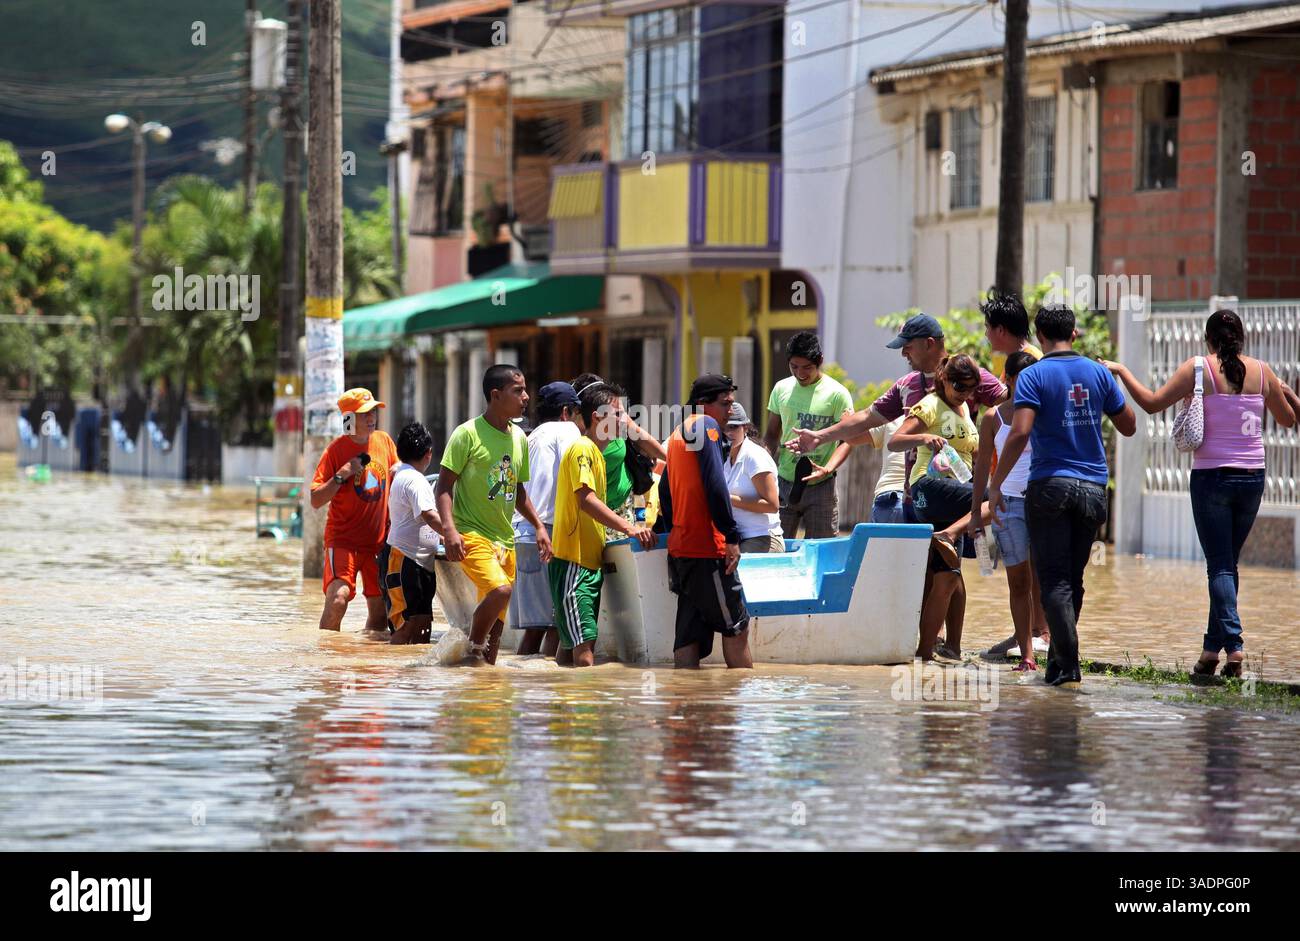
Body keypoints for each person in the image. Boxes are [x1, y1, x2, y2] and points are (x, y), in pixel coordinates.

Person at [1102, 310, 1298, 678]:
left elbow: (1150, 403)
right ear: (1242, 338)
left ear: (1208, 340)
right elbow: (1287, 421)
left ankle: (1235, 647)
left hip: (1212, 478)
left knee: (1220, 565)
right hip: (1253, 478)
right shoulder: (1262, 371)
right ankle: (1211, 651)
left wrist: (1121, 371)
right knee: (1225, 563)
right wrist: (1283, 390)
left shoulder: (1198, 368)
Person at [990, 305, 1137, 687]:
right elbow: (1129, 426)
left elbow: (1020, 432)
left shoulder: (1033, 375)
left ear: (1039, 337)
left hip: (1049, 486)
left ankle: (1067, 664)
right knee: (1073, 580)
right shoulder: (1098, 373)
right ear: (1074, 334)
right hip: (1092, 488)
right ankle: (1060, 660)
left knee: (1053, 581)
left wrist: (995, 483)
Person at [436, 365, 552, 665]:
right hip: (471, 534)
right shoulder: (466, 434)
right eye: (518, 390)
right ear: (496, 395)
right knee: (501, 591)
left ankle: (482, 679)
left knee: (498, 627)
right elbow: (443, 486)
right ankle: (470, 655)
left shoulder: (519, 439)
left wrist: (538, 526)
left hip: (506, 539)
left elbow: (518, 491)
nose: (526, 397)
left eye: (526, 389)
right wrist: (449, 530)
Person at [549, 382, 657, 667]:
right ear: (597, 417)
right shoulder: (583, 449)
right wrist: (630, 528)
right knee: (584, 659)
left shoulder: (597, 453)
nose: (625, 420)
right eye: (618, 414)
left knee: (569, 653)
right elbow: (586, 499)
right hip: (574, 562)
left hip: (587, 561)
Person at [889, 354, 990, 660]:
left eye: (972, 389)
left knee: (950, 576)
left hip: (955, 493)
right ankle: (923, 653)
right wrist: (924, 436)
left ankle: (951, 649)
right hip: (928, 489)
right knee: (996, 499)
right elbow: (896, 441)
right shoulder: (930, 405)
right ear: (944, 378)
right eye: (960, 386)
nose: (965, 394)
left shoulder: (964, 409)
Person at [658, 374, 752, 669]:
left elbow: (664, 489)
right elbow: (715, 486)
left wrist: (677, 526)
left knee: (689, 635)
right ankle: (737, 702)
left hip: (682, 549)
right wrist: (731, 536)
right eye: (724, 404)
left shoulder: (676, 434)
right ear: (702, 404)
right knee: (737, 626)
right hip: (707, 549)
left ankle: (686, 703)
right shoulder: (706, 427)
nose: (730, 411)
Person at [968, 352, 1048, 671]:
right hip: (1008, 502)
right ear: (1010, 379)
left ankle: (1051, 640)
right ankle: (1027, 654)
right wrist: (976, 512)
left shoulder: (1047, 412)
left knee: (1050, 575)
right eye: (1024, 378)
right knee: (1018, 580)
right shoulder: (993, 418)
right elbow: (983, 466)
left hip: (1044, 499)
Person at [310, 388, 398, 633]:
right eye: (363, 414)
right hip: (343, 542)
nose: (371, 418)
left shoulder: (385, 441)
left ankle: (367, 663)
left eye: (372, 411)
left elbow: (398, 471)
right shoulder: (335, 451)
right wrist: (342, 474)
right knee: (338, 599)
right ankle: (326, 659)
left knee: (380, 610)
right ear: (348, 419)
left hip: (378, 544)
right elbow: (316, 499)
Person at [510, 381, 583, 657]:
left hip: (523, 532)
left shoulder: (532, 436)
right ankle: (546, 692)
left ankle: (528, 690)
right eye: (578, 414)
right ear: (566, 412)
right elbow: (579, 476)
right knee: (554, 624)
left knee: (538, 628)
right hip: (547, 534)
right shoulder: (566, 431)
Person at [763, 331, 854, 539]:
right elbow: (771, 434)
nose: (800, 373)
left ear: (819, 361)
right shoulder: (781, 389)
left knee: (822, 553)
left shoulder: (837, 394)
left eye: (807, 368)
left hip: (822, 487)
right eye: (794, 367)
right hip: (784, 483)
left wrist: (828, 469)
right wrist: (764, 464)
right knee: (776, 550)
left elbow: (848, 440)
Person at [571, 373, 667, 536]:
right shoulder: (580, 443)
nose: (621, 418)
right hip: (598, 514)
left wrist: (675, 460)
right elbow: (586, 499)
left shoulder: (618, 421)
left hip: (628, 506)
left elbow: (641, 436)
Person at [381, 422, 445, 645]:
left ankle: (415, 679)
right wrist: (452, 534)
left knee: (423, 625)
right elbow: (429, 514)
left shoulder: (405, 474)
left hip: (419, 563)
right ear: (428, 453)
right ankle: (396, 676)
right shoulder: (415, 480)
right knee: (406, 626)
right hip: (403, 560)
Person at [723, 403, 784, 552]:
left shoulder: (754, 456)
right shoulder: (723, 456)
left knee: (733, 567)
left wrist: (726, 498)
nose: (728, 433)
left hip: (763, 537)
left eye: (734, 427)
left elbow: (772, 505)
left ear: (745, 428)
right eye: (723, 427)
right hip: (735, 537)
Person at [983, 288, 1043, 380]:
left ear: (1000, 330)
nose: (986, 334)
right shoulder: (1014, 359)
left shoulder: (1032, 362)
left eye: (987, 327)